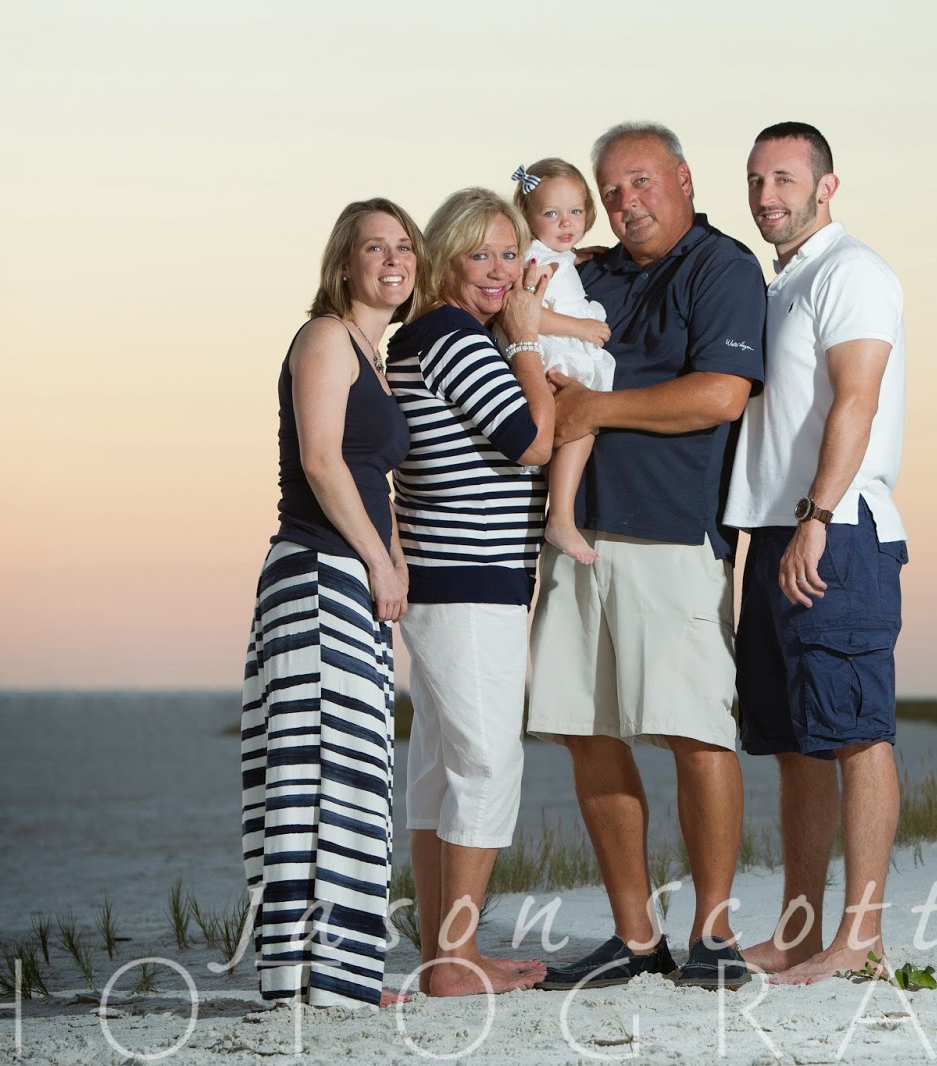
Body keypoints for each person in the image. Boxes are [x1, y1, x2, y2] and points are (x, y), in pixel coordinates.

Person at [527, 122, 766, 991]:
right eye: (610, 191)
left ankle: (713, 935)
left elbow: (720, 395)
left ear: (684, 179)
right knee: (585, 730)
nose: (625, 202)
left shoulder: (722, 267)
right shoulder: (589, 274)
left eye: (641, 182)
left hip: (673, 533)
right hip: (576, 533)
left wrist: (596, 408)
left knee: (696, 730)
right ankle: (636, 940)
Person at [723, 122, 909, 984]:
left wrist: (818, 514)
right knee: (797, 741)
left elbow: (856, 400)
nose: (767, 196)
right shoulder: (783, 284)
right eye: (756, 180)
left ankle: (858, 941)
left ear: (827, 187)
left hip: (838, 529)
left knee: (856, 733)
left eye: (786, 179)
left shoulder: (851, 272)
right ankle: (800, 931)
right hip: (774, 531)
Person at [239, 198, 422, 1009]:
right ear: (343, 264)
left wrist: (394, 559)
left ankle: (342, 976)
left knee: (352, 772)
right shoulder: (324, 337)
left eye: (404, 246)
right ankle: (306, 981)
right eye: (374, 247)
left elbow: (374, 477)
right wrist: (380, 560)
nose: (394, 260)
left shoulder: (373, 357)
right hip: (317, 574)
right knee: (314, 776)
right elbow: (320, 462)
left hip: (352, 578)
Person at [387, 187, 555, 997]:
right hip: (468, 584)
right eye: (479, 254)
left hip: (445, 581)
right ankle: (456, 959)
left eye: (509, 253)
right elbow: (532, 442)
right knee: (486, 765)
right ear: (445, 260)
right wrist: (525, 343)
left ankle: (441, 954)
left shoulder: (422, 336)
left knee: (441, 769)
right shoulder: (456, 339)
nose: (499, 271)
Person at [510, 158, 616, 565]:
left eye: (575, 211)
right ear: (527, 217)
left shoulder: (556, 256)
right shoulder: (539, 262)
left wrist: (577, 256)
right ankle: (561, 518)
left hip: (559, 347)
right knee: (582, 424)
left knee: (578, 428)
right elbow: (526, 314)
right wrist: (580, 328)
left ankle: (558, 515)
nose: (566, 222)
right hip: (555, 350)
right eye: (551, 214)